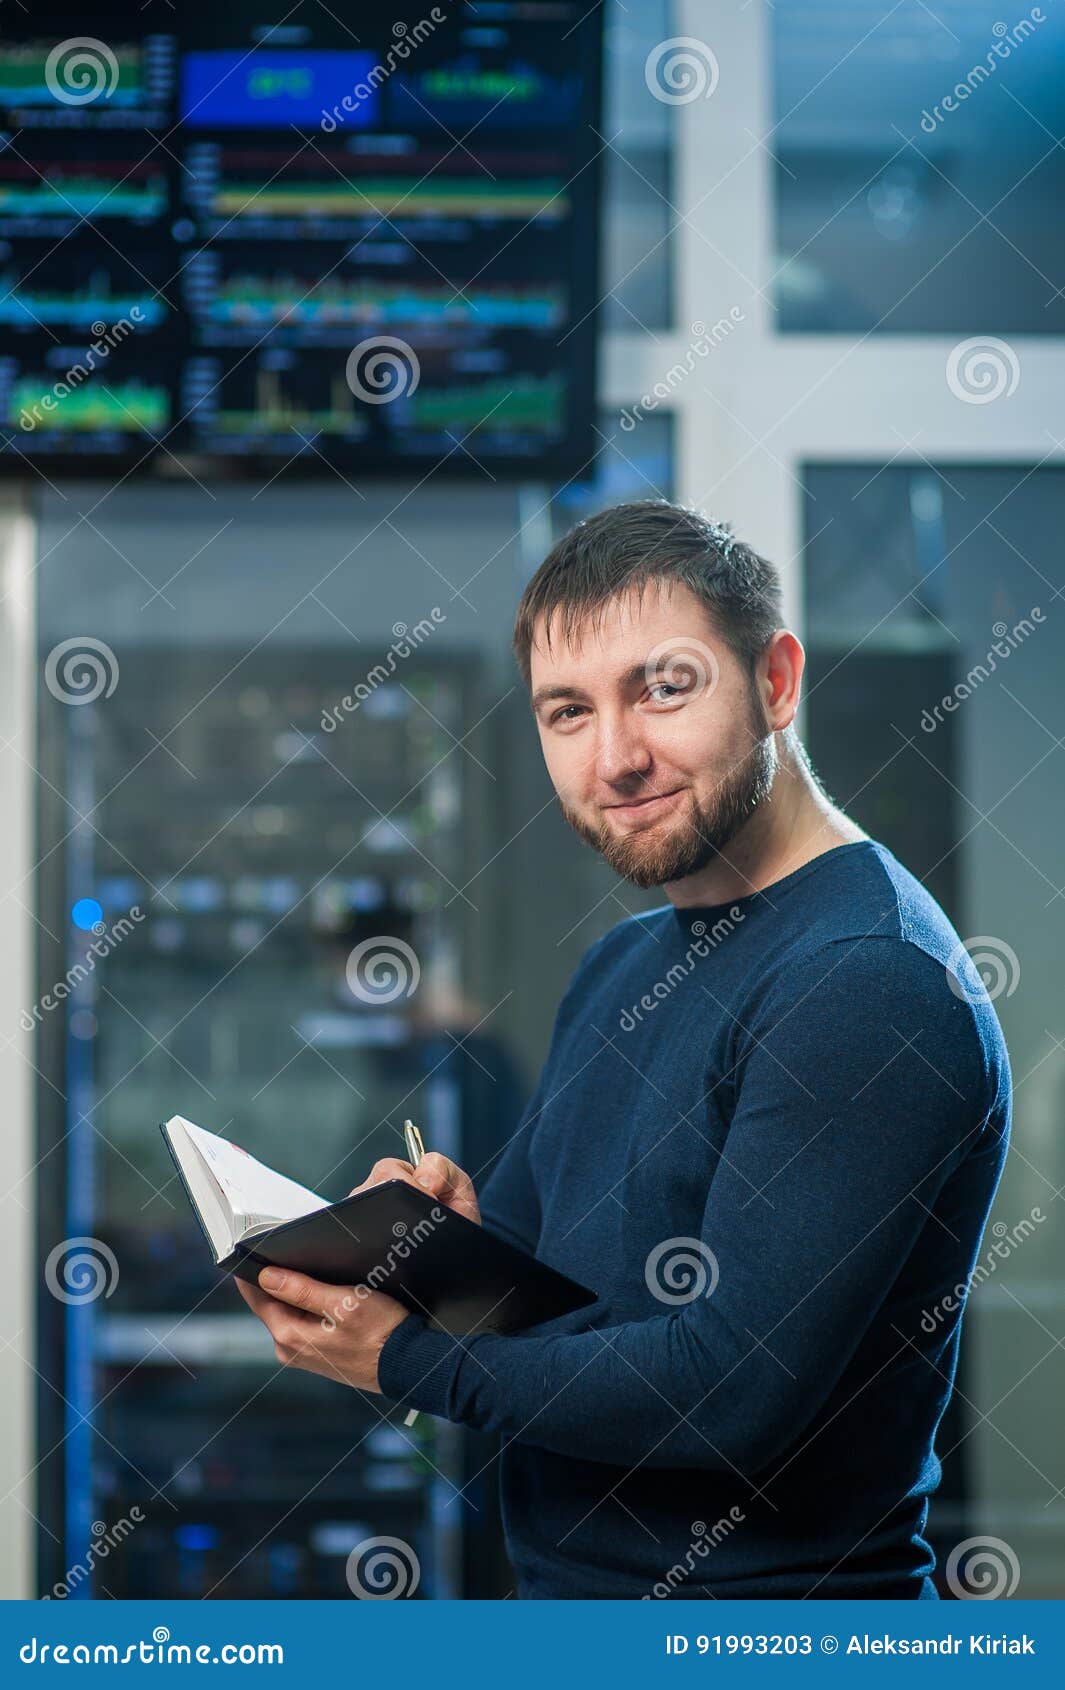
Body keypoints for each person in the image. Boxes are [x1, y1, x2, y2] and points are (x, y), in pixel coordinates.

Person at [237, 500, 1011, 1600]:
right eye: (568, 710)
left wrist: (407, 1358)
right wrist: (436, 1252)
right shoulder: (627, 964)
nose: (617, 756)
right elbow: (560, 1300)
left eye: (664, 686)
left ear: (776, 682)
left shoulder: (867, 978)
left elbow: (731, 1387)